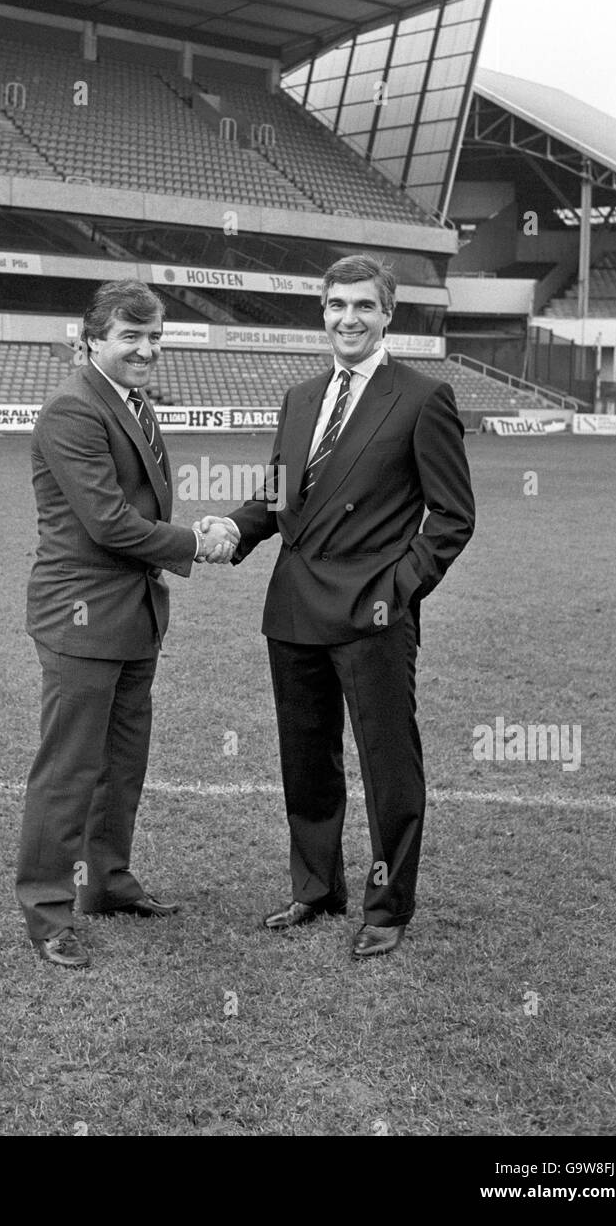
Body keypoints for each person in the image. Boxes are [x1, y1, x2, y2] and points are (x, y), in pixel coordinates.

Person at [201, 254, 475, 960]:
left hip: (373, 615)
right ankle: (317, 888)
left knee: (388, 766)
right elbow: (279, 493)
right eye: (335, 305)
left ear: (388, 315)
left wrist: (397, 589)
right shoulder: (300, 397)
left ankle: (388, 905)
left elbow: (451, 518)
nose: (347, 318)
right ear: (321, 312)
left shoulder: (421, 397)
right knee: (307, 761)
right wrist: (235, 528)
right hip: (293, 606)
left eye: (363, 306)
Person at [16, 280, 234, 968]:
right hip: (82, 619)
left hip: (134, 615)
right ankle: (49, 912)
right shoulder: (73, 411)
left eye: (154, 336)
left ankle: (106, 884)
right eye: (129, 337)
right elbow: (108, 522)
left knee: (120, 767)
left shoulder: (129, 402)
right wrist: (195, 542)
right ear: (92, 342)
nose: (146, 349)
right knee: (68, 772)